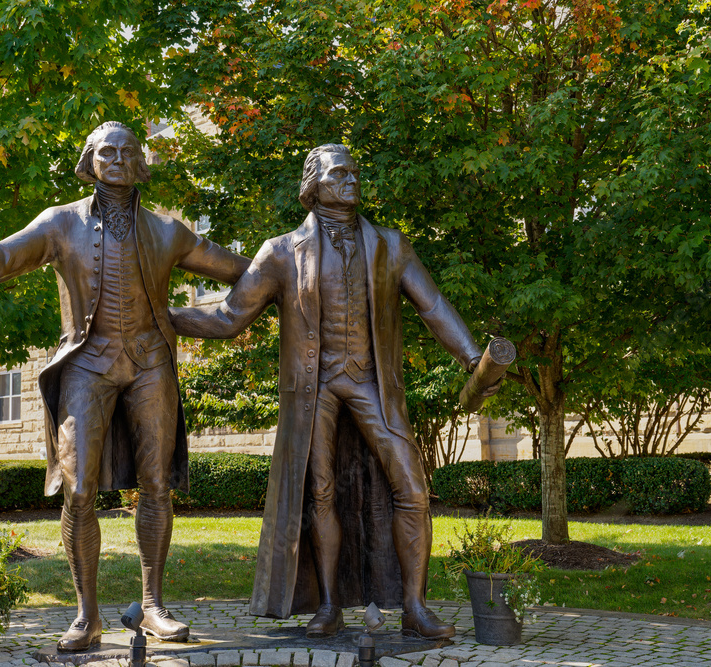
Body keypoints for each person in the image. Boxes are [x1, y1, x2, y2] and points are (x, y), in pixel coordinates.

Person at [0, 122, 250, 651]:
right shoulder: (62, 223)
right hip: (88, 362)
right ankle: (87, 615)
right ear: (90, 160)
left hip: (151, 365)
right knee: (78, 488)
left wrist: (196, 315)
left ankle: (153, 605)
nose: (120, 158)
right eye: (108, 150)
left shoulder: (168, 231)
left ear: (142, 163)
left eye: (130, 151)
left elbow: (246, 274)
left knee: (155, 485)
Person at [170, 144, 492, 639]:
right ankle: (327, 604)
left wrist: (473, 357)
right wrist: (165, 320)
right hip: (313, 387)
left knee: (412, 487)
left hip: (371, 382)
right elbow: (230, 316)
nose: (351, 180)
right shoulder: (280, 252)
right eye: (339, 173)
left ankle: (414, 607)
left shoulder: (390, 245)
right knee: (320, 493)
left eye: (355, 173)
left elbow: (433, 306)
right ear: (313, 186)